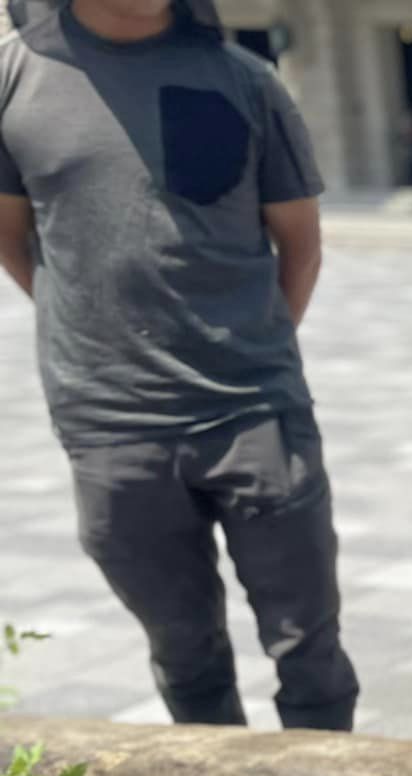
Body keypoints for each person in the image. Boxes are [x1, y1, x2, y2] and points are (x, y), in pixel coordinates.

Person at [0, 0, 359, 731]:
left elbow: (301, 245)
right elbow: (13, 238)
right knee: (184, 652)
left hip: (255, 413)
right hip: (110, 426)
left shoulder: (246, 81)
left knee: (310, 648)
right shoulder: (16, 77)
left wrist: (253, 345)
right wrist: (90, 332)